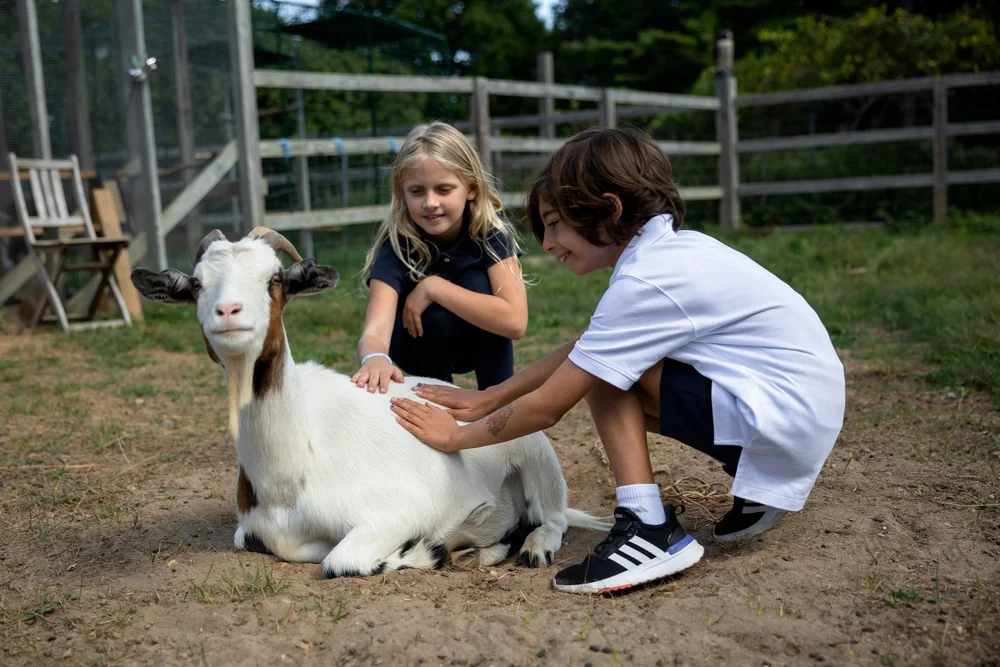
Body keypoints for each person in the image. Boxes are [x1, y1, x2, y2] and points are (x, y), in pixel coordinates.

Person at [389, 126, 846, 595]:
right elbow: (587, 346)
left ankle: (647, 528)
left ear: (609, 210)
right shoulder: (669, 254)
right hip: (801, 415)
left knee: (606, 377)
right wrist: (489, 397)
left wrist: (457, 436)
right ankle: (759, 485)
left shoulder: (646, 281)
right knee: (604, 361)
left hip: (788, 421)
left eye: (555, 222)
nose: (547, 242)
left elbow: (551, 404)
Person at [353, 122, 527, 393]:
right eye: (417, 191)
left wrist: (434, 287)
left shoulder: (490, 231)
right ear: (402, 191)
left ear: (471, 188)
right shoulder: (398, 245)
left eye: (444, 190)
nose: (430, 202)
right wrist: (375, 358)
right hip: (418, 347)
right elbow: (374, 332)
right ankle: (437, 403)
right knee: (435, 318)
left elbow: (515, 322)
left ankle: (498, 402)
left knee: (476, 281)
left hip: (479, 341)